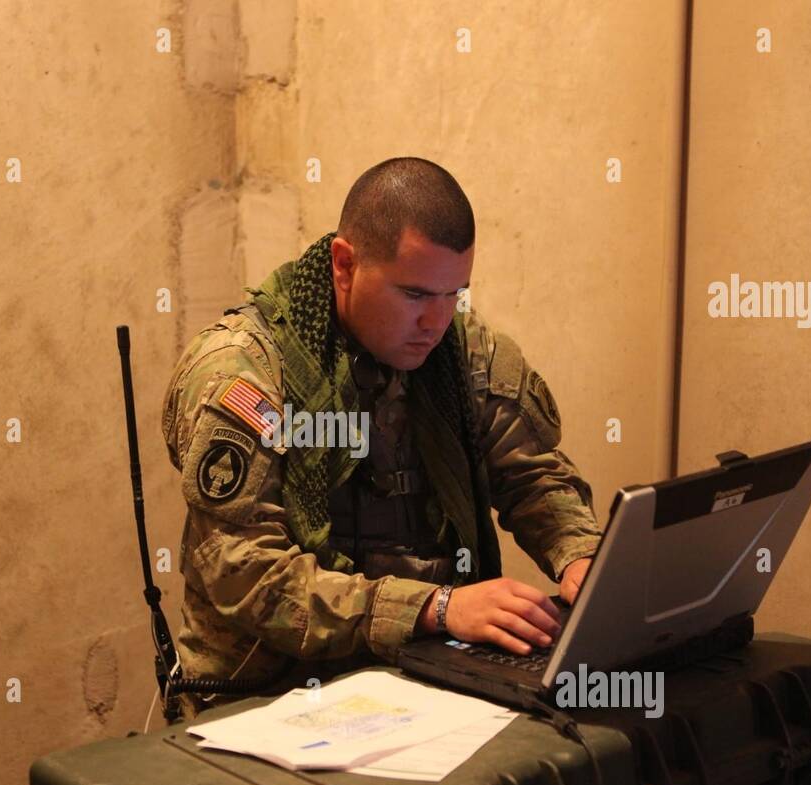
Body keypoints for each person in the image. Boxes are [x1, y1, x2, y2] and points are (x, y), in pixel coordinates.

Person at [160, 157, 602, 719]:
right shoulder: (243, 370)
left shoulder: (462, 354)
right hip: (266, 700)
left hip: (426, 681)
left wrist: (580, 557)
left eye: (454, 295)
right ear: (345, 264)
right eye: (415, 295)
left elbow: (531, 475)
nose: (437, 323)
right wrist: (435, 609)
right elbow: (249, 576)